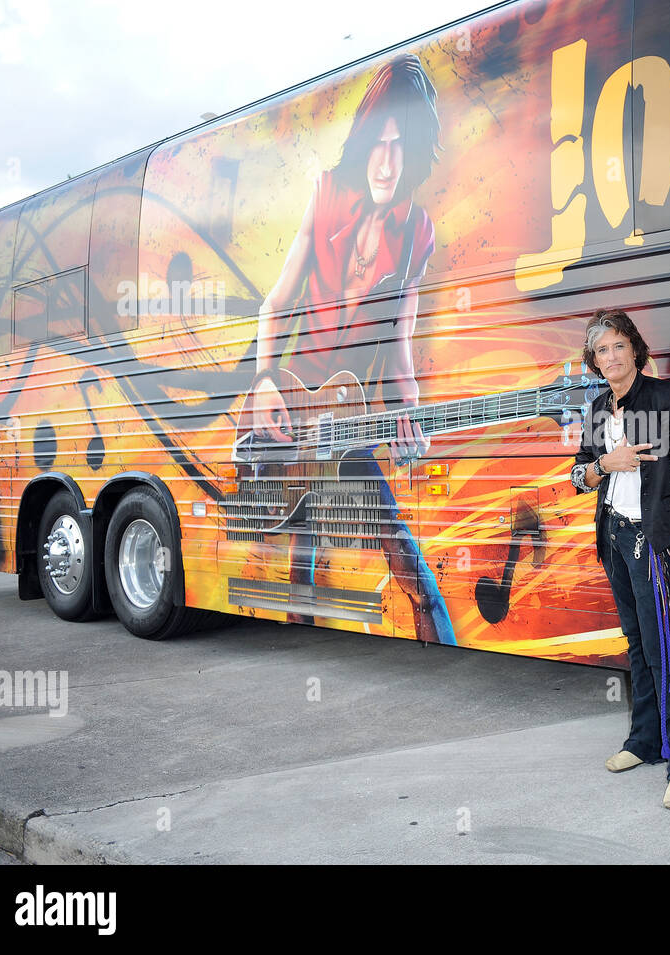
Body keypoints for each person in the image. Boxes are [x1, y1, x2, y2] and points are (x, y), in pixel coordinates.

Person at [248, 54, 455, 645]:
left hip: (349, 415)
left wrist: (409, 419)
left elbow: (400, 354)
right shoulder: (327, 194)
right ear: (365, 141)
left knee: (404, 557)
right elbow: (275, 304)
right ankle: (296, 639)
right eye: (378, 142)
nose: (387, 162)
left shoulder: (417, 231)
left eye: (401, 145)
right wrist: (264, 381)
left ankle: (434, 648)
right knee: (303, 550)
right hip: (289, 408)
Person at [571, 308, 670, 810]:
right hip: (612, 537)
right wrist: (607, 463)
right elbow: (578, 475)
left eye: (618, 346)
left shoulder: (665, 399)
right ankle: (645, 742)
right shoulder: (598, 409)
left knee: (662, 651)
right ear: (594, 360)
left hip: (651, 542)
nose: (610, 357)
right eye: (600, 350)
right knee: (636, 645)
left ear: (635, 349)